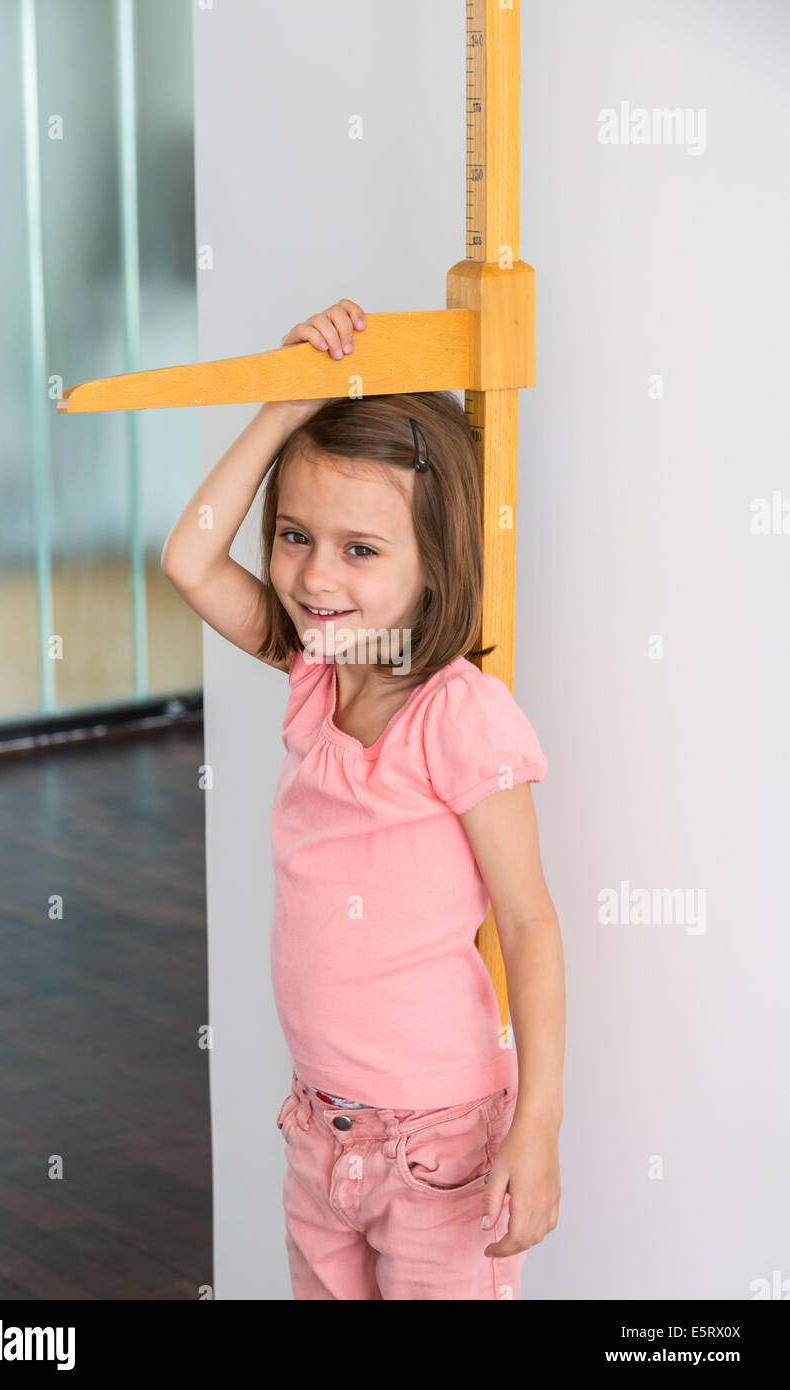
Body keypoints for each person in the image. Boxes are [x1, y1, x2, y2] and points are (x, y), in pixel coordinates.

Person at [161, 298, 564, 1300]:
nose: (311, 576)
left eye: (360, 549)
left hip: (442, 1149)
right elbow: (189, 559)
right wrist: (280, 407)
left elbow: (527, 921)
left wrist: (539, 1126)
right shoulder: (312, 670)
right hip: (320, 1127)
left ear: (434, 566)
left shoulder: (457, 716)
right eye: (295, 536)